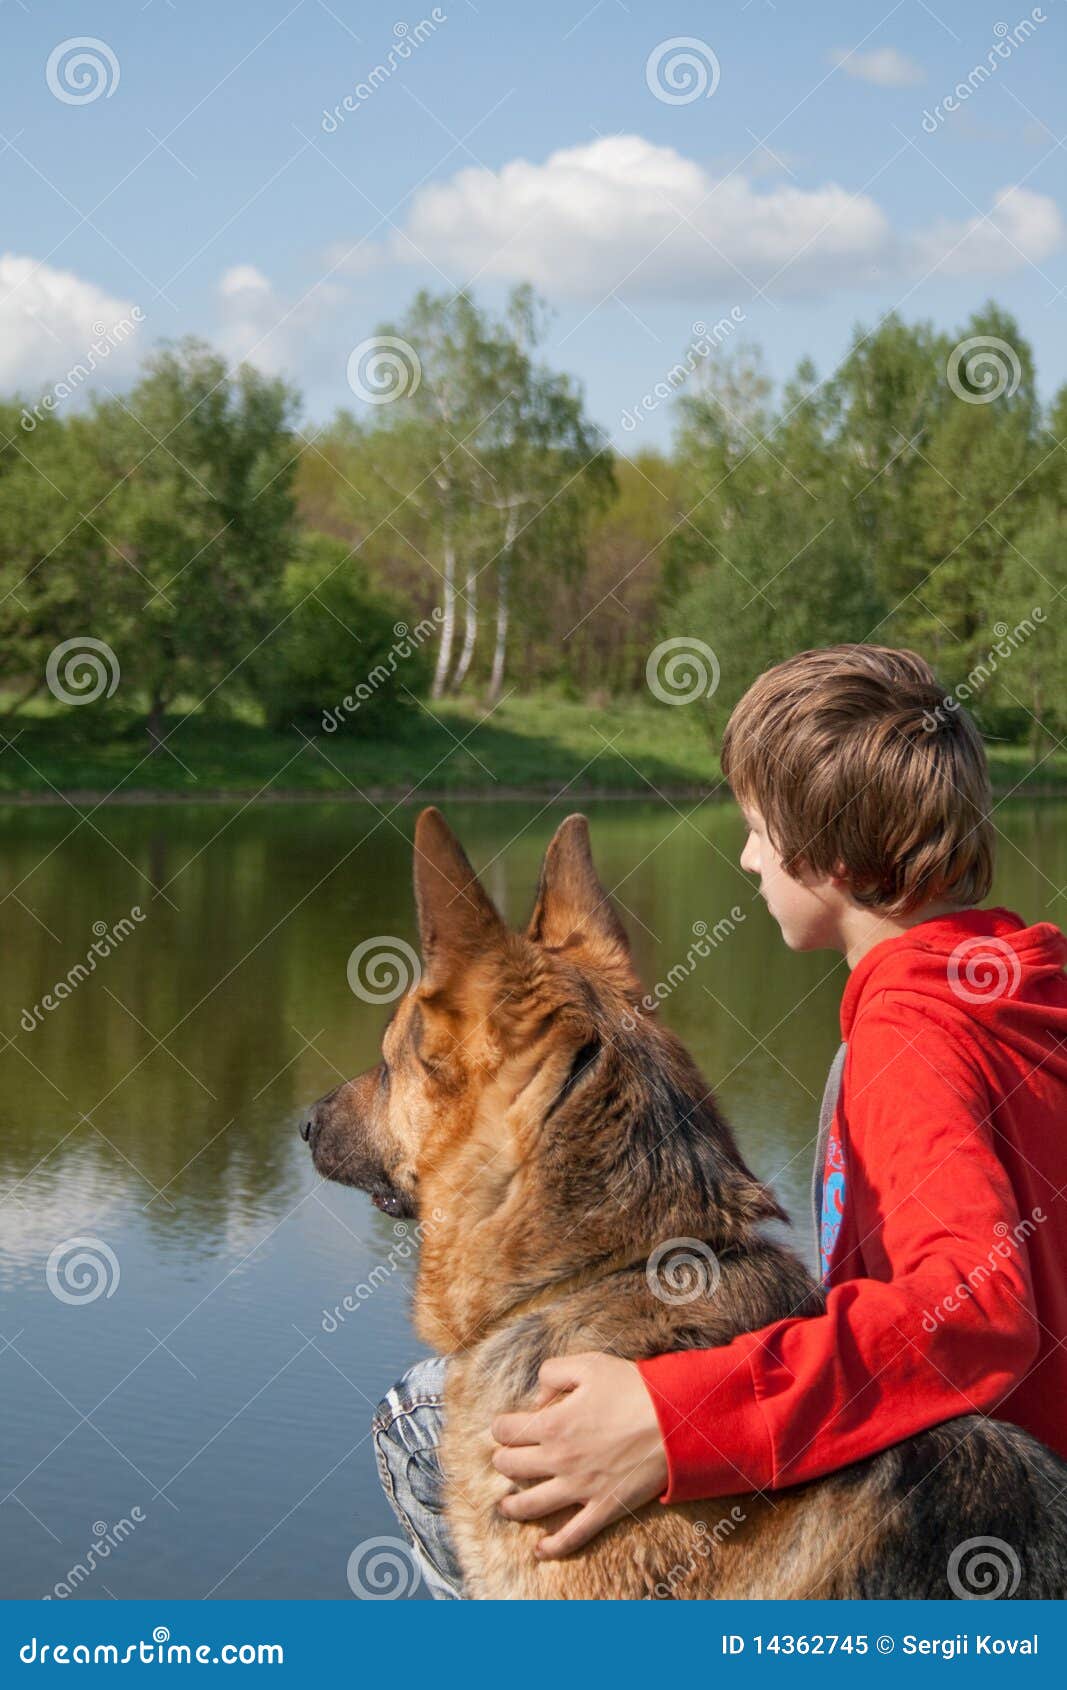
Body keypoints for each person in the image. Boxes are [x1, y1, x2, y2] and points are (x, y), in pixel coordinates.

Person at [373, 643, 1067, 1598]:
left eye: (754, 828)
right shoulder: (1013, 987)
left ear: (825, 851)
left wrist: (677, 1419)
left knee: (423, 1422)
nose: (744, 857)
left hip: (964, 1524)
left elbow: (979, 1314)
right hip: (997, 1485)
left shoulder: (915, 1036)